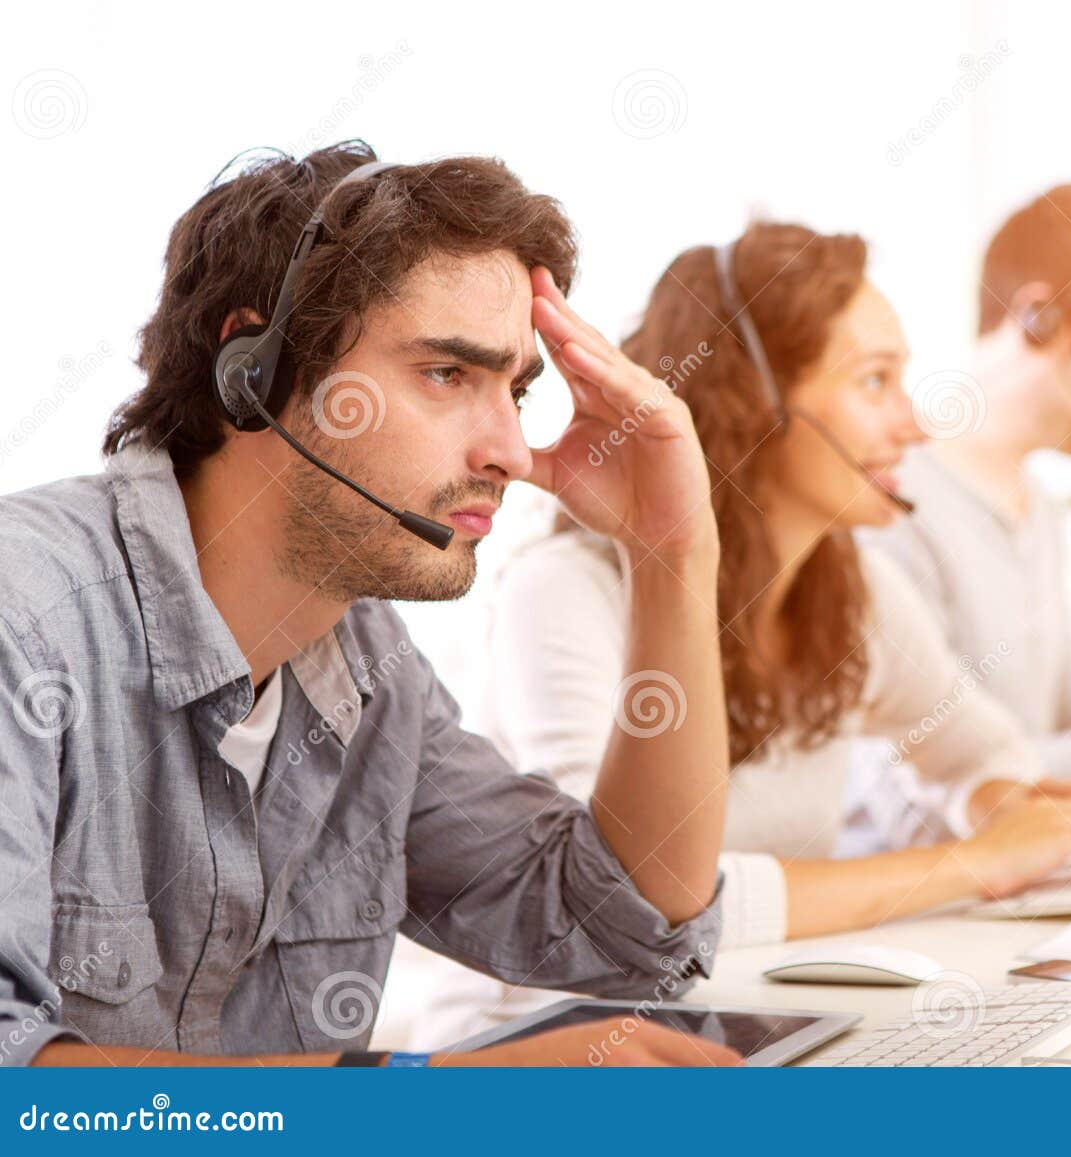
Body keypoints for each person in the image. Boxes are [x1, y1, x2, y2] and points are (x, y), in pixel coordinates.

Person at [0, 143, 740, 1068]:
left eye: (515, 390)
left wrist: (670, 553)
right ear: (253, 372)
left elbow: (627, 931)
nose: (510, 449)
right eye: (446, 375)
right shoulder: (23, 620)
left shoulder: (364, 668)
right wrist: (420, 1101)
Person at [411, 223, 1071, 1040]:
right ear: (755, 405)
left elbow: (979, 750)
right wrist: (968, 865)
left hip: (744, 1022)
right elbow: (629, 904)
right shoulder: (567, 591)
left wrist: (1019, 815)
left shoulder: (851, 591)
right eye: (873, 382)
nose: (915, 424)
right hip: (552, 1043)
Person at [864, 184, 1071, 791]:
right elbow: (915, 771)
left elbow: (1070, 710)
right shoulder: (887, 500)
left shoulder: (1037, 506)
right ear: (1038, 320)